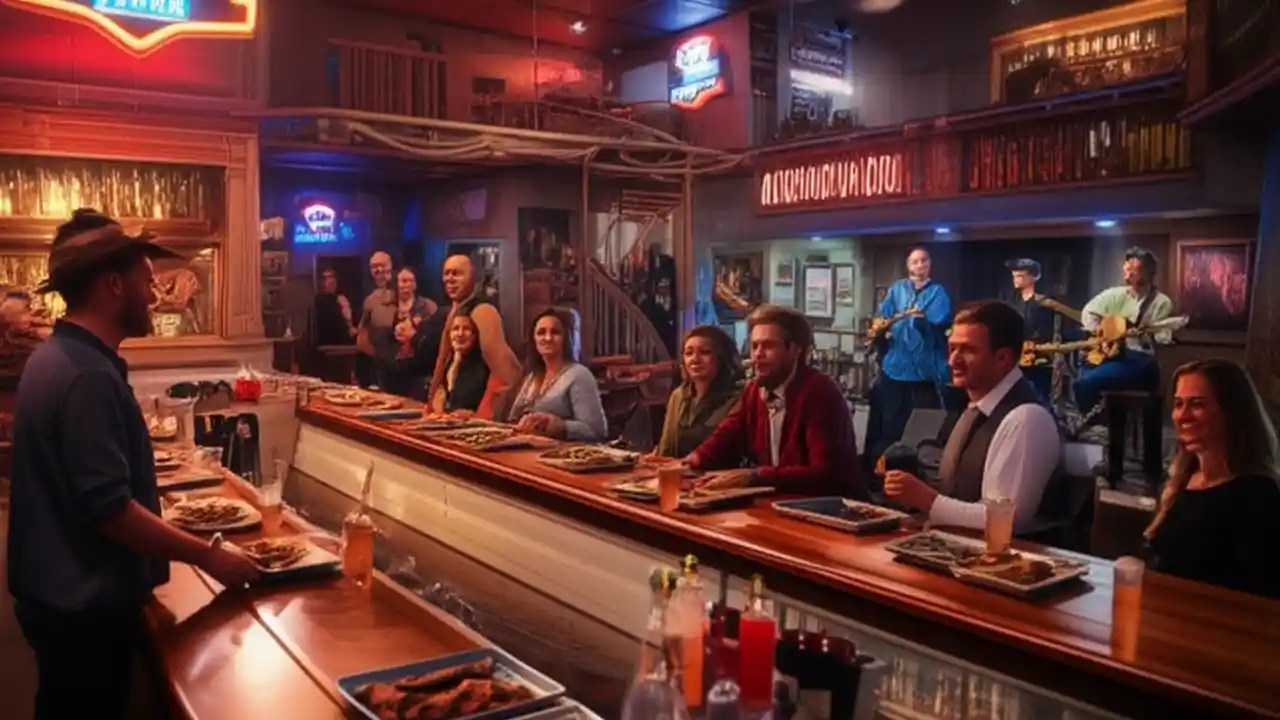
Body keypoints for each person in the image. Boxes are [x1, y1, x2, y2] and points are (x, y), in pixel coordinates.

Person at [8, 209, 259, 719]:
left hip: (55, 600)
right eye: (147, 282)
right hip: (82, 612)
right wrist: (211, 556)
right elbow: (110, 511)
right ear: (114, 285)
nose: (155, 296)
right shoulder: (87, 376)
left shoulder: (57, 357)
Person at [884, 301, 1061, 534]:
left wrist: (927, 500)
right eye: (952, 349)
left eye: (968, 350)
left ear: (1003, 358)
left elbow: (1007, 518)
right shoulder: (977, 410)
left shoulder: (1027, 419)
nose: (953, 360)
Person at [688, 305, 869, 499]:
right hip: (781, 505)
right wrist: (690, 462)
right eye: (754, 346)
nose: (758, 354)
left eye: (768, 346)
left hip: (834, 508)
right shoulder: (754, 390)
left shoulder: (819, 392)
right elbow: (727, 435)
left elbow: (826, 475)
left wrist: (756, 476)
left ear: (795, 350)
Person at [1144, 360, 1280, 598]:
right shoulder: (1184, 478)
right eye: (1179, 404)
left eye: (1197, 404)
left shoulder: (1257, 493)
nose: (1182, 415)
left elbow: (1264, 590)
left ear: (1232, 412)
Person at [864, 248, 953, 465]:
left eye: (924, 260)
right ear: (908, 265)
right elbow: (882, 319)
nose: (920, 265)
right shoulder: (897, 290)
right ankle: (880, 467)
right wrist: (881, 330)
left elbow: (939, 321)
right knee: (888, 424)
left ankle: (916, 469)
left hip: (924, 373)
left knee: (921, 429)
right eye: (915, 261)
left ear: (929, 264)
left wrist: (920, 319)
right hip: (895, 368)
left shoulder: (938, 292)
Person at [1075, 248, 1175, 414]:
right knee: (1082, 375)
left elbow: (1162, 338)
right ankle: (1099, 420)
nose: (1128, 274)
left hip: (1140, 360)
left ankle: (1096, 423)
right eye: (1127, 269)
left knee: (1086, 383)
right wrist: (1102, 331)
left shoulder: (1161, 302)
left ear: (1148, 272)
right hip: (1111, 355)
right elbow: (1088, 312)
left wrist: (1147, 335)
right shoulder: (1113, 295)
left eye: (1133, 270)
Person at [427, 253, 522, 417]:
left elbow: (508, 373)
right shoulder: (453, 311)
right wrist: (432, 403)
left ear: (473, 278)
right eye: (446, 273)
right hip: (449, 411)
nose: (450, 279)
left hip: (472, 412)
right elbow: (442, 362)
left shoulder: (483, 311)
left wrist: (484, 415)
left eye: (457, 273)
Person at [506, 307, 607, 441]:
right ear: (534, 339)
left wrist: (561, 426)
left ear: (567, 337)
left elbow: (596, 431)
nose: (547, 338)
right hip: (528, 446)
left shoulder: (579, 375)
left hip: (564, 451)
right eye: (541, 333)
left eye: (555, 332)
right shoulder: (532, 377)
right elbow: (513, 419)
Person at [654, 325, 744, 458]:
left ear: (721, 357)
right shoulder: (678, 395)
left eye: (704, 352)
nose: (695, 359)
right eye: (688, 353)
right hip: (677, 469)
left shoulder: (738, 397)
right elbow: (666, 449)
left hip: (722, 470)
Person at [1006, 258, 1080, 402]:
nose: (1016, 280)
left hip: (1043, 357)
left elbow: (1069, 324)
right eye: (1014, 276)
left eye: (1021, 276)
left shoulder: (1047, 302)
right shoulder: (1013, 304)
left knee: (1041, 396)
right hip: (1018, 356)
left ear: (1033, 277)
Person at [429, 311, 502, 419]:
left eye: (466, 329)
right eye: (455, 329)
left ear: (475, 335)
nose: (460, 334)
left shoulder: (484, 367)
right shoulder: (447, 364)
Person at [384, 267, 437, 398]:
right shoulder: (386, 306)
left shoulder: (428, 306)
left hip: (417, 369)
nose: (406, 285)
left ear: (415, 284)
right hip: (390, 367)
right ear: (397, 284)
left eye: (410, 281)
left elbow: (435, 334)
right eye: (403, 281)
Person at [356, 250, 396, 388]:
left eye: (382, 265)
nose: (378, 270)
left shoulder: (403, 291)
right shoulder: (370, 300)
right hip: (381, 366)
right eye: (374, 267)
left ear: (390, 266)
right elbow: (362, 339)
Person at [312, 266, 357, 347]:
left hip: (347, 345)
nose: (328, 281)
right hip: (331, 346)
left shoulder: (344, 299)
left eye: (331, 277)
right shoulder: (320, 302)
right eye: (325, 278)